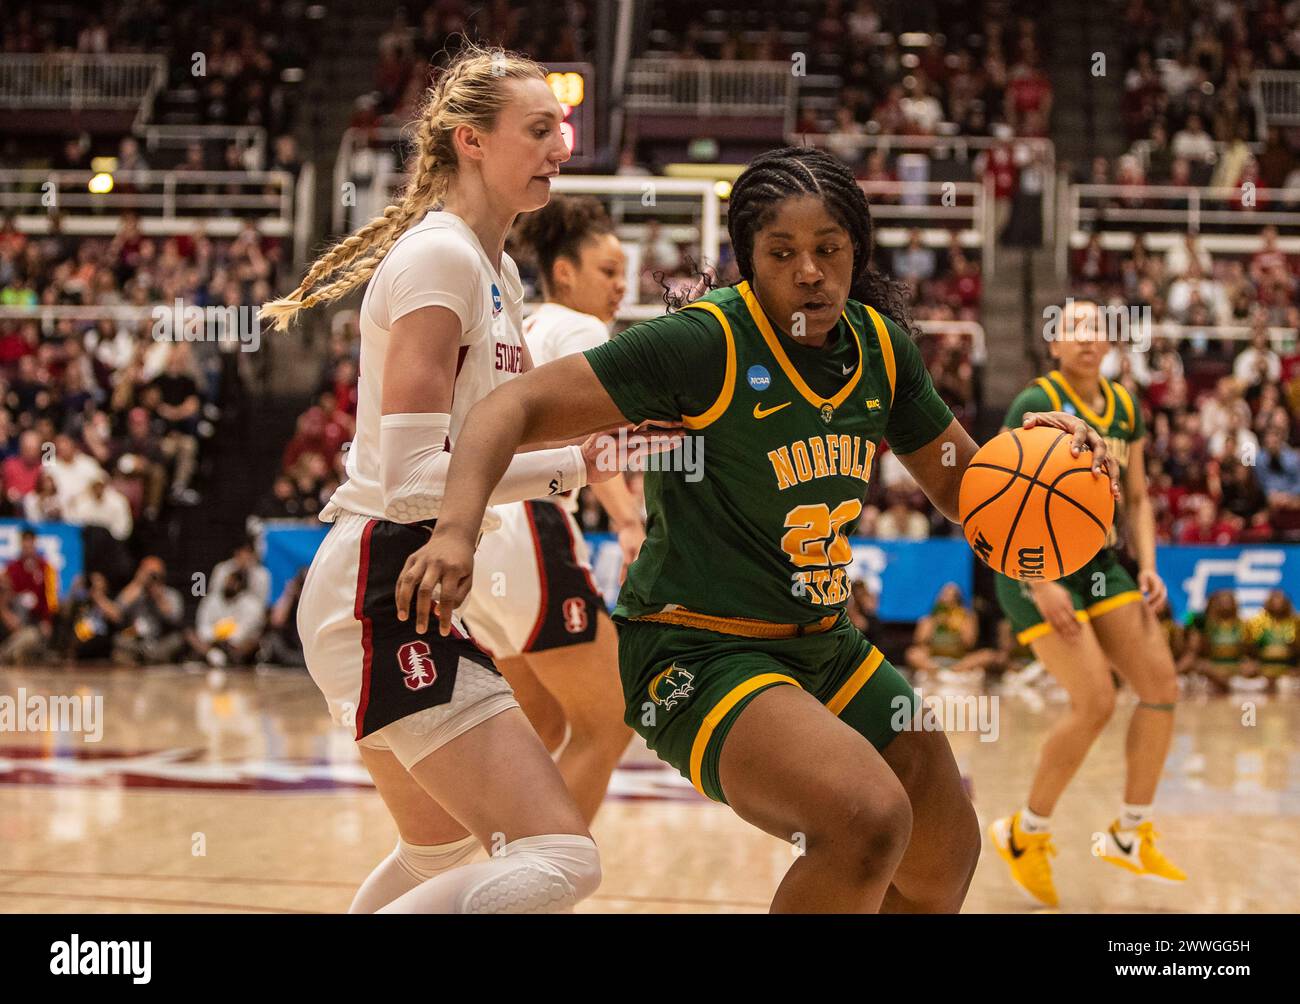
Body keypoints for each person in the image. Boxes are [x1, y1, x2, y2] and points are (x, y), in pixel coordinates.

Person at [397, 145, 1118, 913]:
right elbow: (508, 409)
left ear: (856, 253)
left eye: (828, 250)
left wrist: (1040, 459)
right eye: (782, 253)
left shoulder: (880, 350)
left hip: (823, 644)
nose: (809, 271)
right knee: (865, 819)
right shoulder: (706, 343)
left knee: (946, 851)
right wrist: (454, 529)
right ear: (748, 261)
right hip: (695, 649)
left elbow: (966, 486)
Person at [260, 42, 605, 914]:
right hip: (381, 575)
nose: (561, 147)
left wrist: (576, 459)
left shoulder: (498, 271)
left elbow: (476, 455)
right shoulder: (440, 260)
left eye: (562, 129)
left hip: (399, 582)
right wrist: (568, 462)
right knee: (562, 857)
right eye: (538, 130)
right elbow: (415, 475)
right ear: (470, 141)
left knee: (438, 852)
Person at [990, 299, 1185, 908]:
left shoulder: (1125, 406)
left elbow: (1138, 497)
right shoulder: (1032, 402)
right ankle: (1027, 833)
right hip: (1038, 570)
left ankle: (1130, 832)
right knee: (1096, 701)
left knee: (1161, 686)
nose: (1086, 339)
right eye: (1072, 330)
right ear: (1053, 346)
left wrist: (1149, 565)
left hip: (1100, 565)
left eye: (1096, 329)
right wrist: (1038, 582)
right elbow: (996, 491)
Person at [457, 195, 639, 822]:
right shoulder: (583, 329)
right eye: (609, 271)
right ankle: (540, 883)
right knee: (612, 718)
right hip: (524, 524)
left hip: (480, 533)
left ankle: (481, 870)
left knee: (541, 721)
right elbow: (590, 444)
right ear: (566, 273)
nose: (622, 285)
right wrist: (628, 518)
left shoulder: (530, 325)